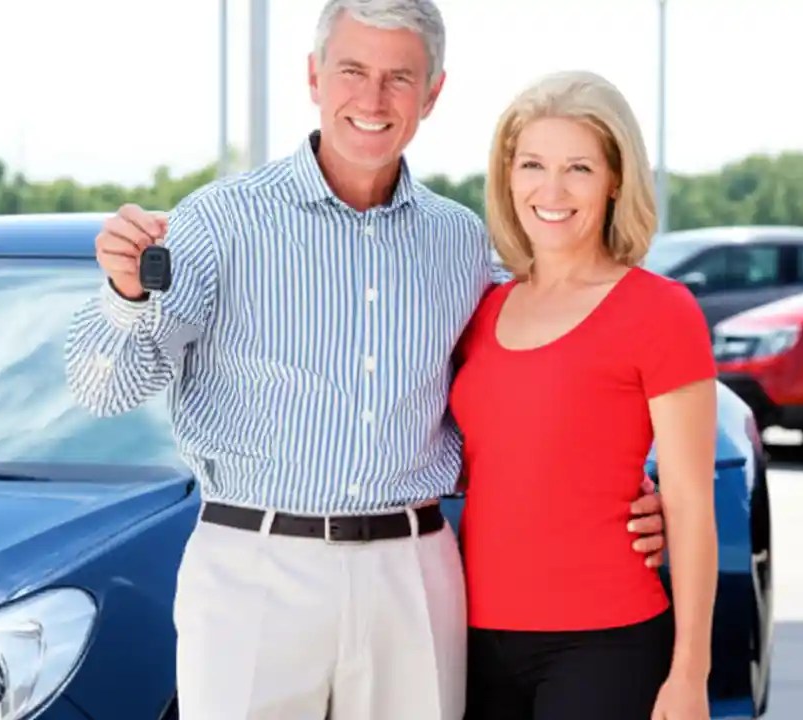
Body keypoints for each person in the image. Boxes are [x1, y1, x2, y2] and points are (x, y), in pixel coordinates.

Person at [65, 1, 668, 717]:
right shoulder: (219, 221)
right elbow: (103, 390)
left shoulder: (460, 241)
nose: (373, 99)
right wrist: (124, 295)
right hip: (252, 571)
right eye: (353, 70)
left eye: (400, 77)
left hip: (412, 573)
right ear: (314, 75)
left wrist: (622, 499)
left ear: (433, 93)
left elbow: (549, 385)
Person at [449, 70, 717, 720]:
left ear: (616, 179)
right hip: (472, 639)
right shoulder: (482, 308)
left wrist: (690, 677)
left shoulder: (661, 311)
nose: (552, 190)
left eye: (579, 168)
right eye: (533, 164)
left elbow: (688, 502)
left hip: (606, 641)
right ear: (507, 176)